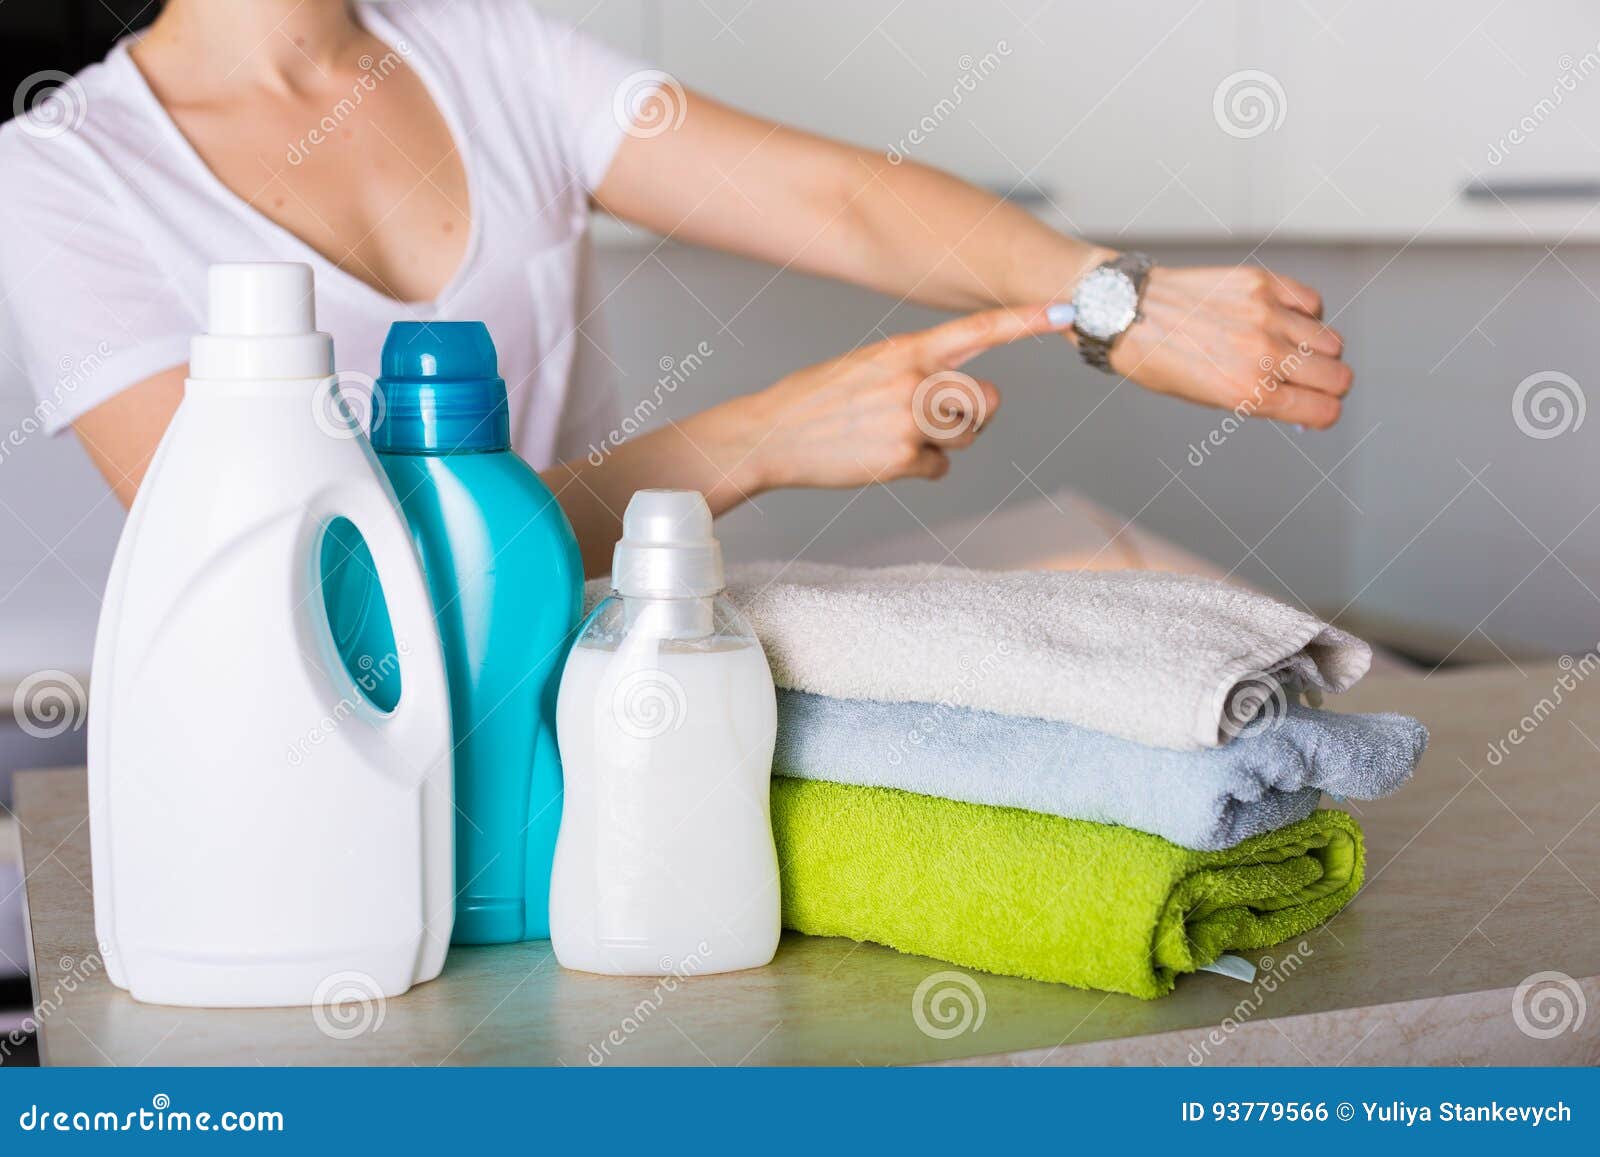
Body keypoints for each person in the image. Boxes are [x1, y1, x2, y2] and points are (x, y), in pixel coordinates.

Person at [0, 0, 1350, 573]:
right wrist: (744, 442)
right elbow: (312, 583)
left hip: (586, 721)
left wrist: (1110, 299)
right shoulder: (66, 174)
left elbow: (835, 196)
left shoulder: (494, 55)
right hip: (312, 794)